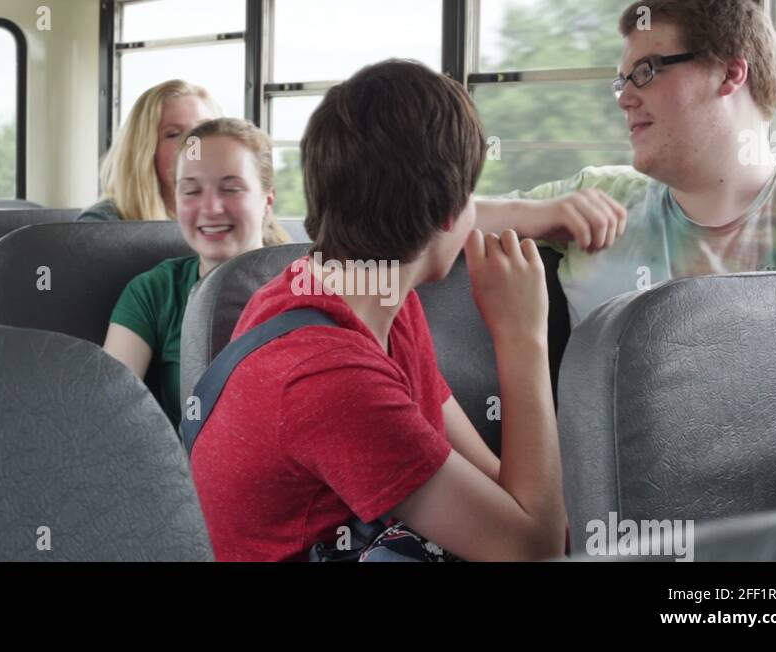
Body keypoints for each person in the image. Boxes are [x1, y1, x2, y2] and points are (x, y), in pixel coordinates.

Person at [190, 60, 566, 562]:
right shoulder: (327, 378)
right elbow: (535, 549)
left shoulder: (374, 304)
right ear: (445, 214)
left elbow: (510, 502)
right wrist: (523, 338)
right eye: (471, 192)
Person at [476, 0, 776, 326]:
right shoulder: (594, 199)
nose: (625, 99)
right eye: (623, 82)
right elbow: (434, 223)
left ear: (729, 73)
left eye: (645, 72)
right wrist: (529, 213)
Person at [103, 118, 290, 429]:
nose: (211, 207)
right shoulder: (154, 292)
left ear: (267, 199)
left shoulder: (311, 287)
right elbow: (108, 415)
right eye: (191, 191)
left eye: (231, 188)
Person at [78, 79, 220, 222]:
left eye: (204, 130)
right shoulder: (102, 223)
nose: (193, 146)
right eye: (173, 135)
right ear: (144, 151)